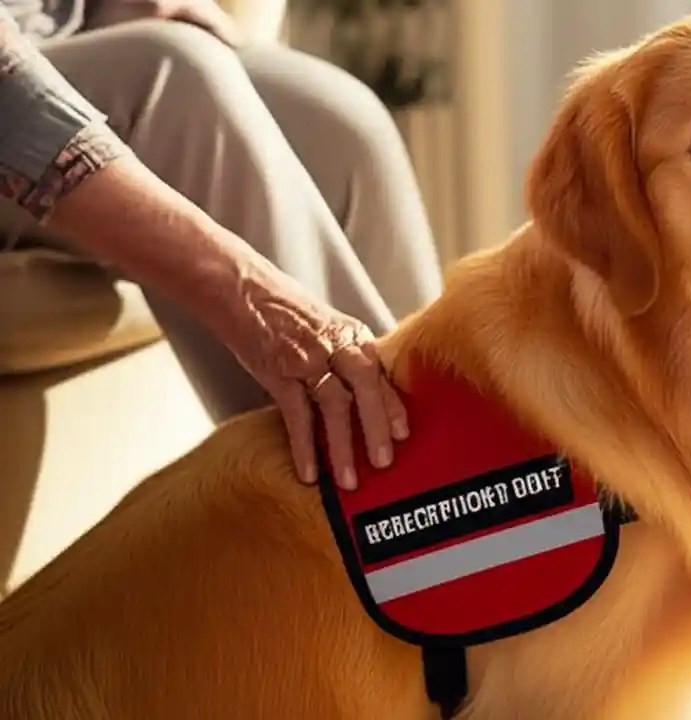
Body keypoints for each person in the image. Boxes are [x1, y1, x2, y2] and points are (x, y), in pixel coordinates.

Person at [0, 0, 445, 490]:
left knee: (341, 122)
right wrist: (245, 288)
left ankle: (473, 469)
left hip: (51, 39)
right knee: (170, 80)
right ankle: (391, 517)